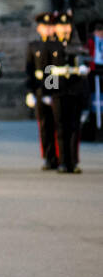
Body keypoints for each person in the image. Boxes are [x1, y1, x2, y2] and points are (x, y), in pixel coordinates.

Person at [46, 9, 89, 173]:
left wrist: (83, 71)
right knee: (61, 128)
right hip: (59, 92)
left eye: (67, 25)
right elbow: (48, 69)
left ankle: (74, 162)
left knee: (74, 128)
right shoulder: (50, 46)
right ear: (55, 28)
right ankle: (63, 161)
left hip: (75, 91)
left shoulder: (77, 46)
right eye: (60, 25)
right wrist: (50, 92)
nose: (64, 29)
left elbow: (83, 70)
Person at [25, 11, 59, 168]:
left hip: (54, 88)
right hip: (39, 88)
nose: (48, 29)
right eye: (44, 26)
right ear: (39, 28)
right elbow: (29, 70)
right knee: (44, 125)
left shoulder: (57, 46)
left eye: (50, 26)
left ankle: (58, 156)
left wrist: (50, 90)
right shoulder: (34, 46)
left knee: (57, 125)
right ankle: (47, 155)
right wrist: (30, 92)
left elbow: (52, 69)